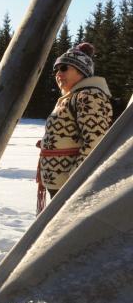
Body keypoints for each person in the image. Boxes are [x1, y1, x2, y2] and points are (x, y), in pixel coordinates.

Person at [37, 42, 112, 213]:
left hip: (70, 186)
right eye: (56, 69)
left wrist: (75, 180)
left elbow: (95, 142)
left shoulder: (89, 96)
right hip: (60, 183)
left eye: (64, 68)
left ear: (82, 71)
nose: (58, 74)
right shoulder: (74, 97)